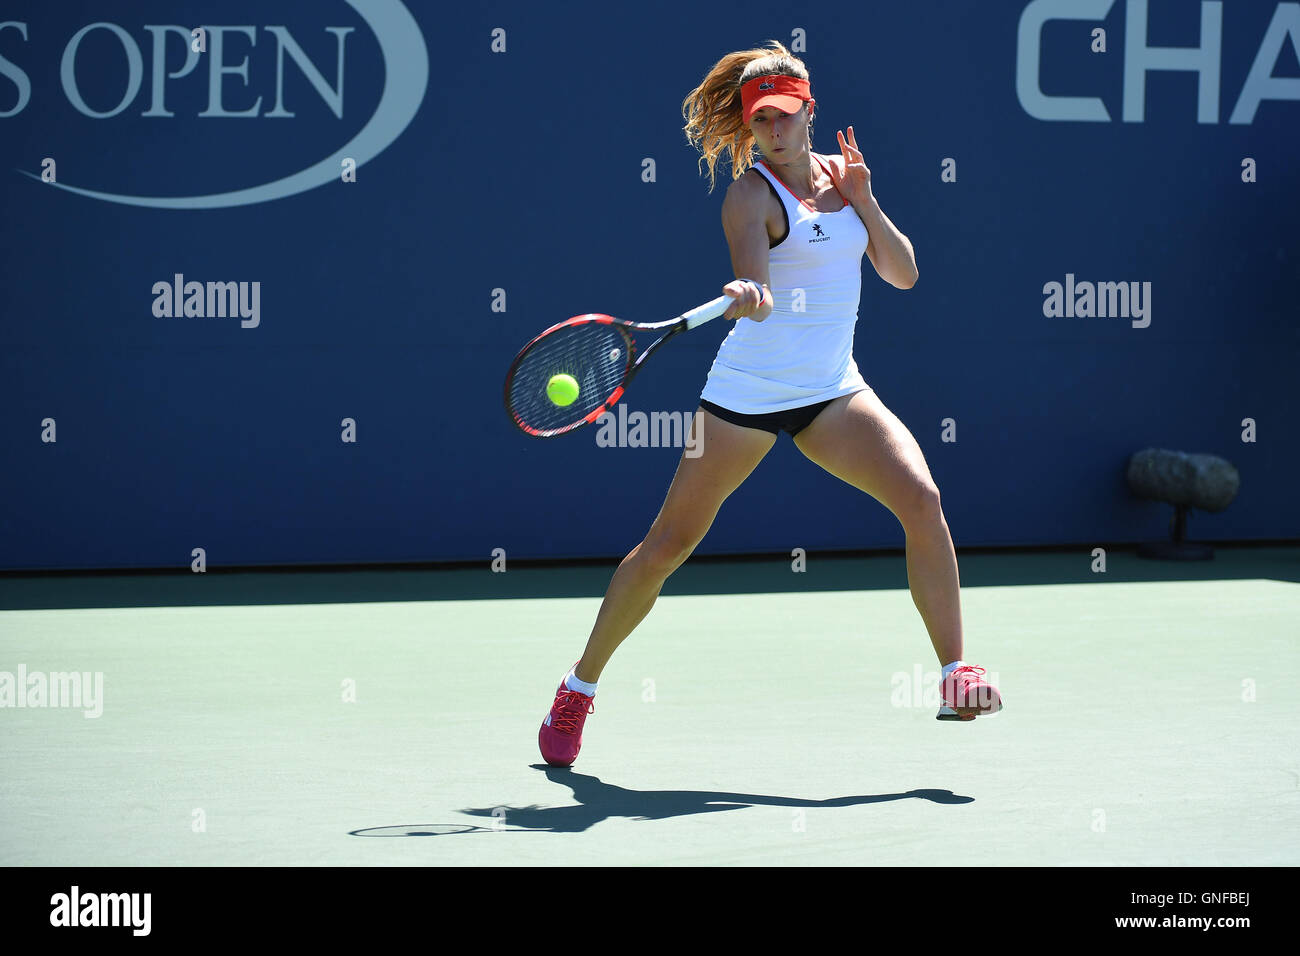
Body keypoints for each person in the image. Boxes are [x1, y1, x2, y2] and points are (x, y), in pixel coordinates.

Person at [539, 40, 1002, 768]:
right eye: (762, 122)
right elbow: (757, 289)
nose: (775, 132)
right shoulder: (749, 194)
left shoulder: (844, 179)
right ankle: (578, 687)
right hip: (742, 401)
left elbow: (903, 274)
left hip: (832, 392)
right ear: (751, 128)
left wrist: (867, 200)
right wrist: (749, 293)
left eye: (786, 116)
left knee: (921, 496)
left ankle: (954, 675)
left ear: (809, 111)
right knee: (666, 548)